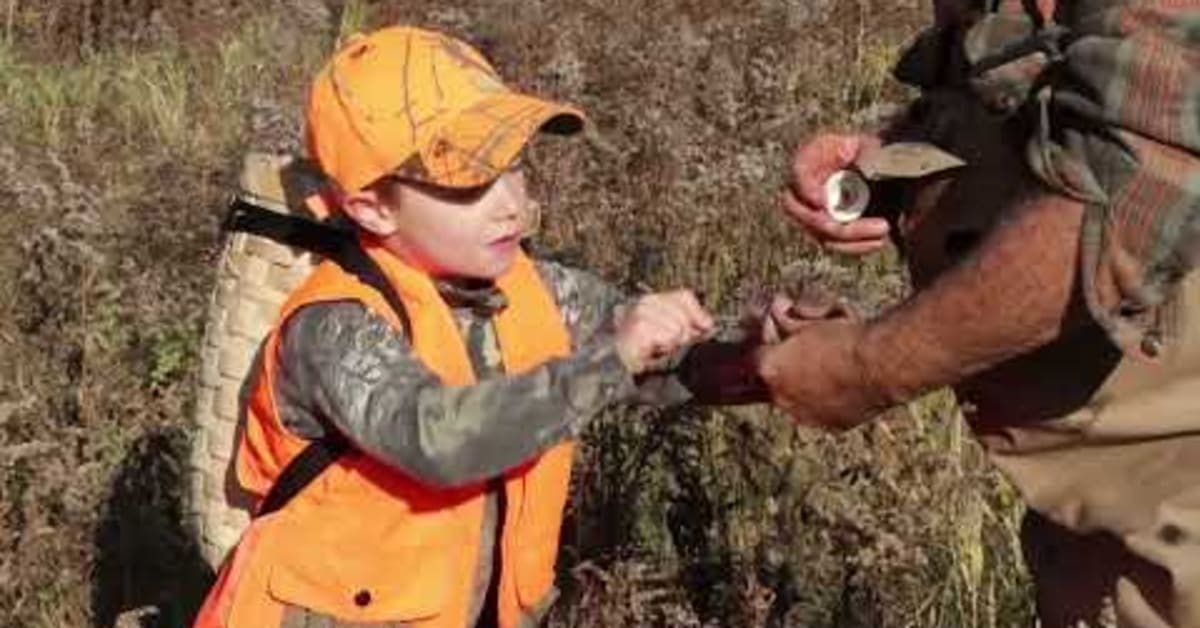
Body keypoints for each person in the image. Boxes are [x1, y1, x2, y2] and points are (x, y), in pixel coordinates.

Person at [193, 25, 763, 628]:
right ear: (373, 208)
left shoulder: (536, 290)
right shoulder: (335, 328)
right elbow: (438, 439)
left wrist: (768, 353)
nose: (511, 204)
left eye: (513, 166)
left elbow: (664, 362)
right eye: (469, 181)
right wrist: (611, 359)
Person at [758, 0, 1200, 626]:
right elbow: (1022, 69)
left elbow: (1129, 198)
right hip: (1105, 508)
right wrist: (894, 164)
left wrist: (863, 368)